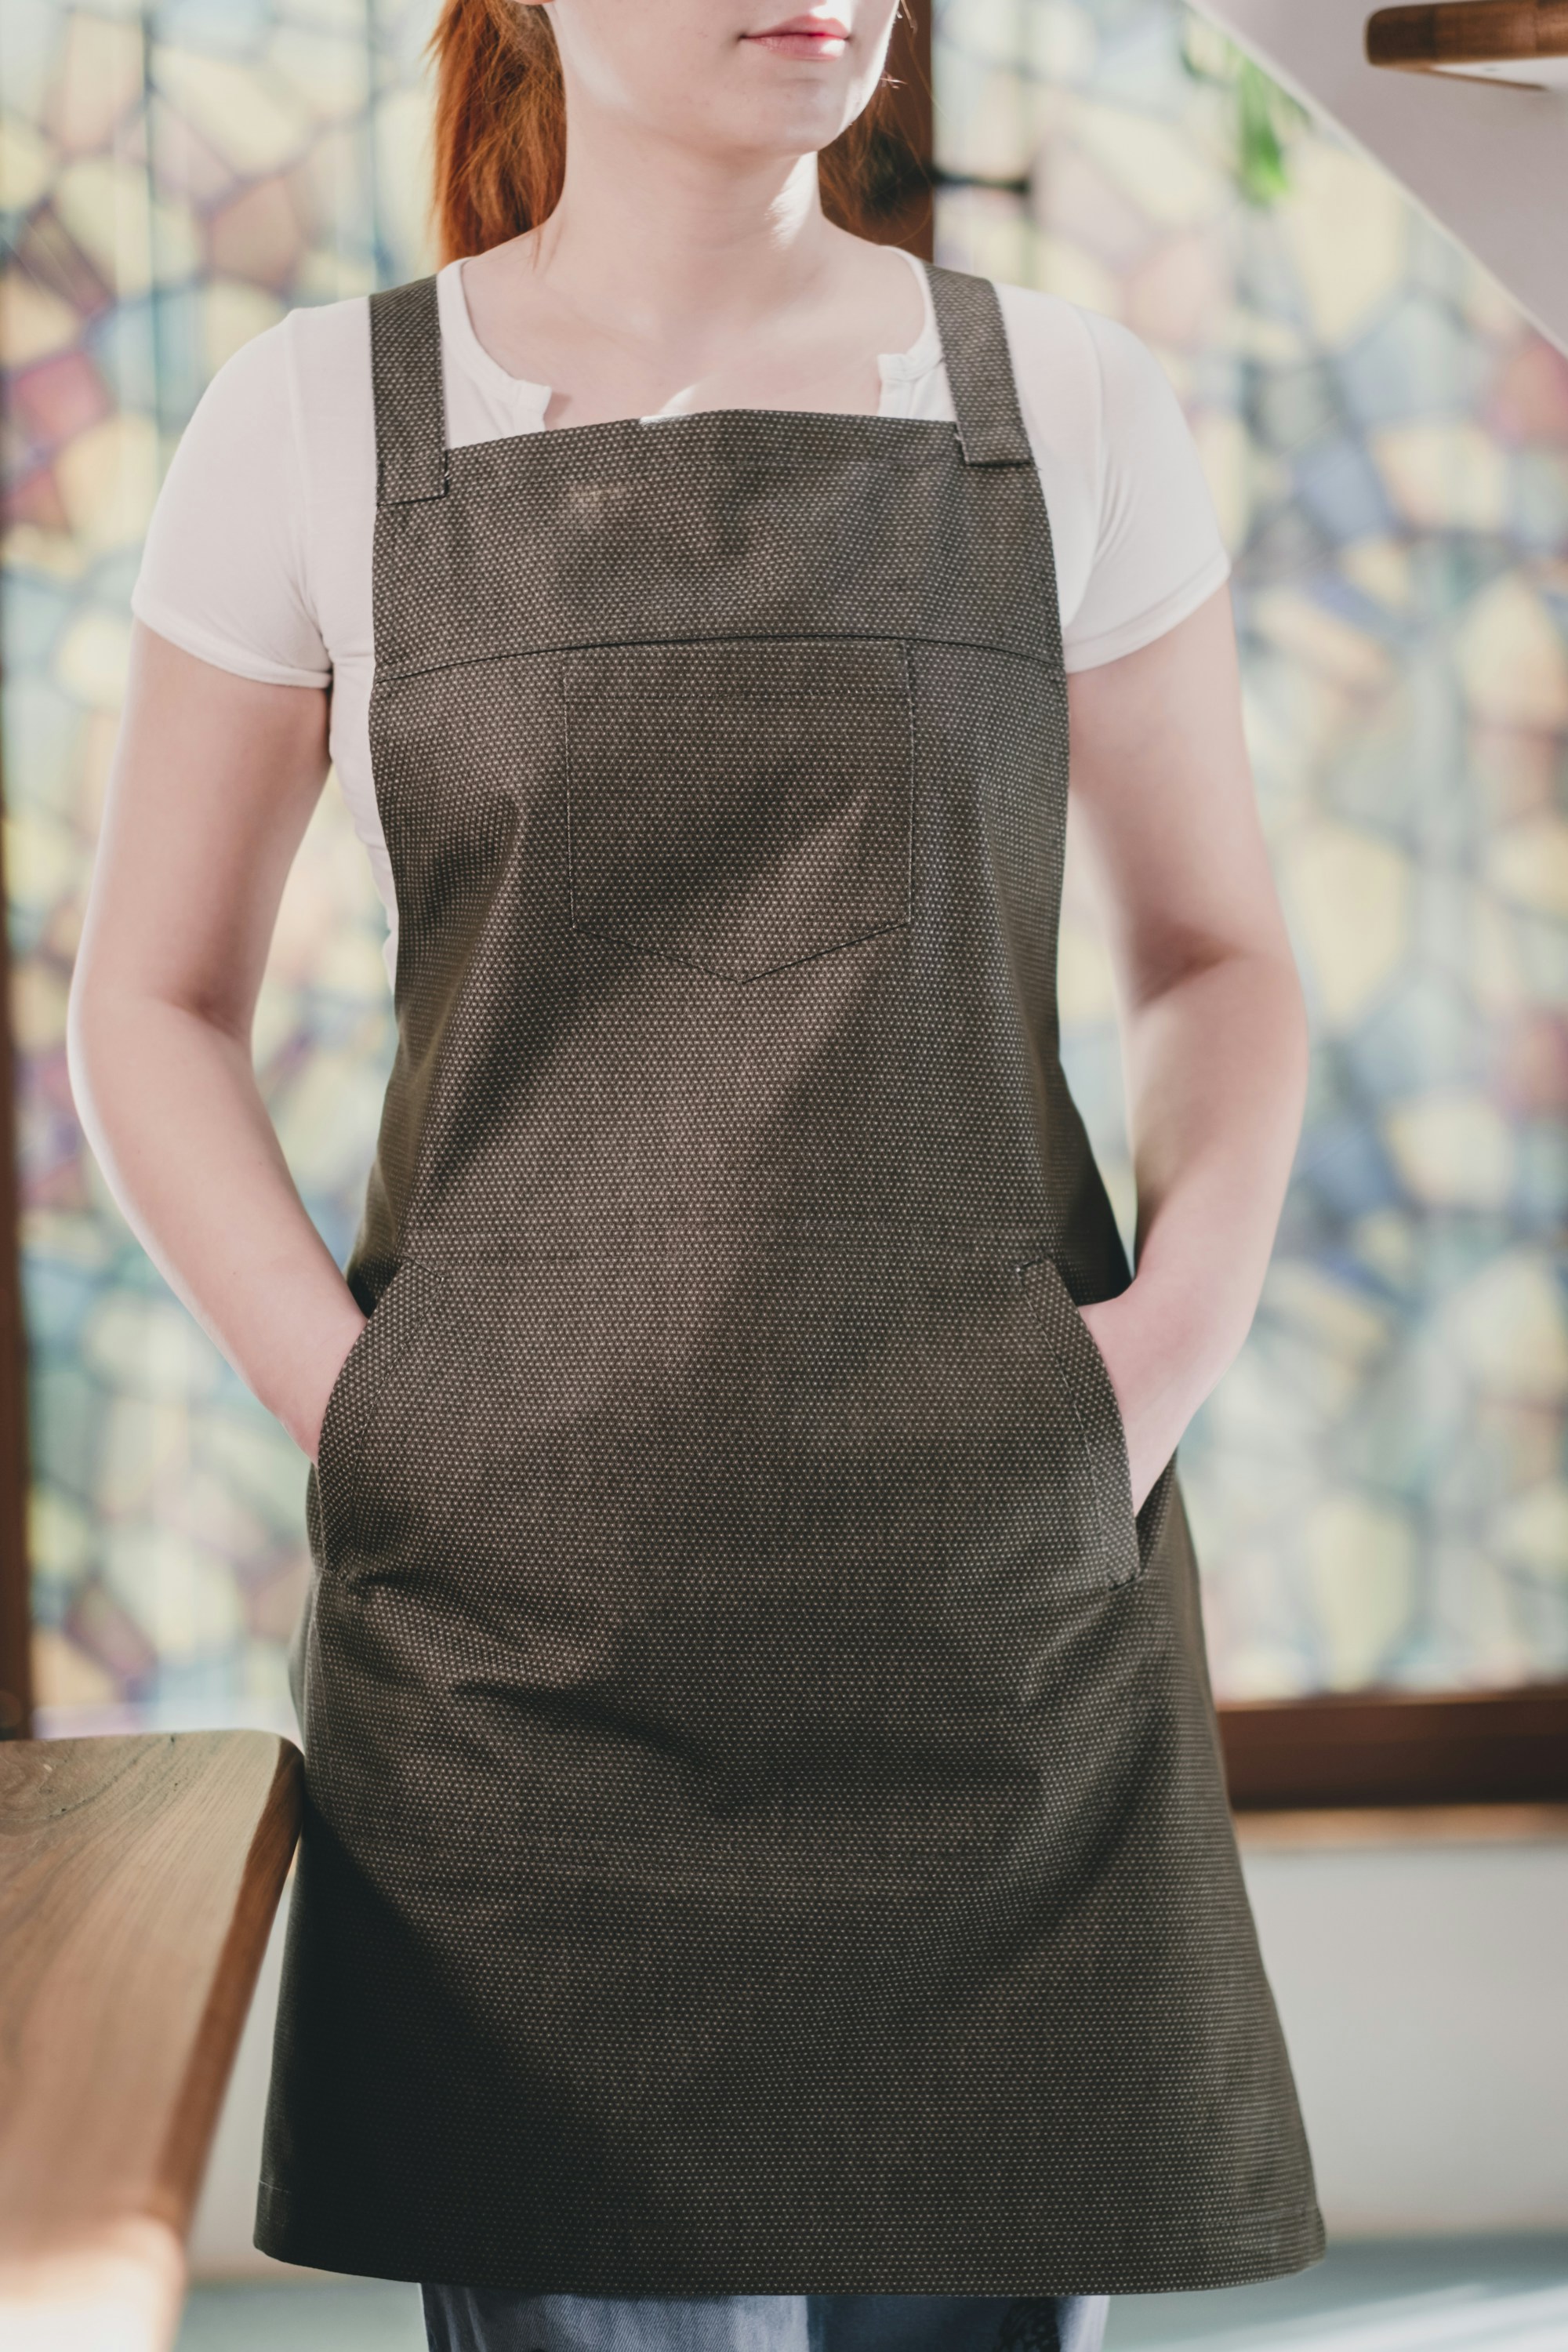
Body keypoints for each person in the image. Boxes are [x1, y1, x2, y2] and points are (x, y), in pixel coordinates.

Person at [67, 2, 1326, 2348]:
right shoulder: (312, 424)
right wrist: (367, 1418)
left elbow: (1220, 955)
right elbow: (142, 1004)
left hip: (991, 1627)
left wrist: (1156, 1361)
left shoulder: (1063, 404)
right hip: (520, 1657)